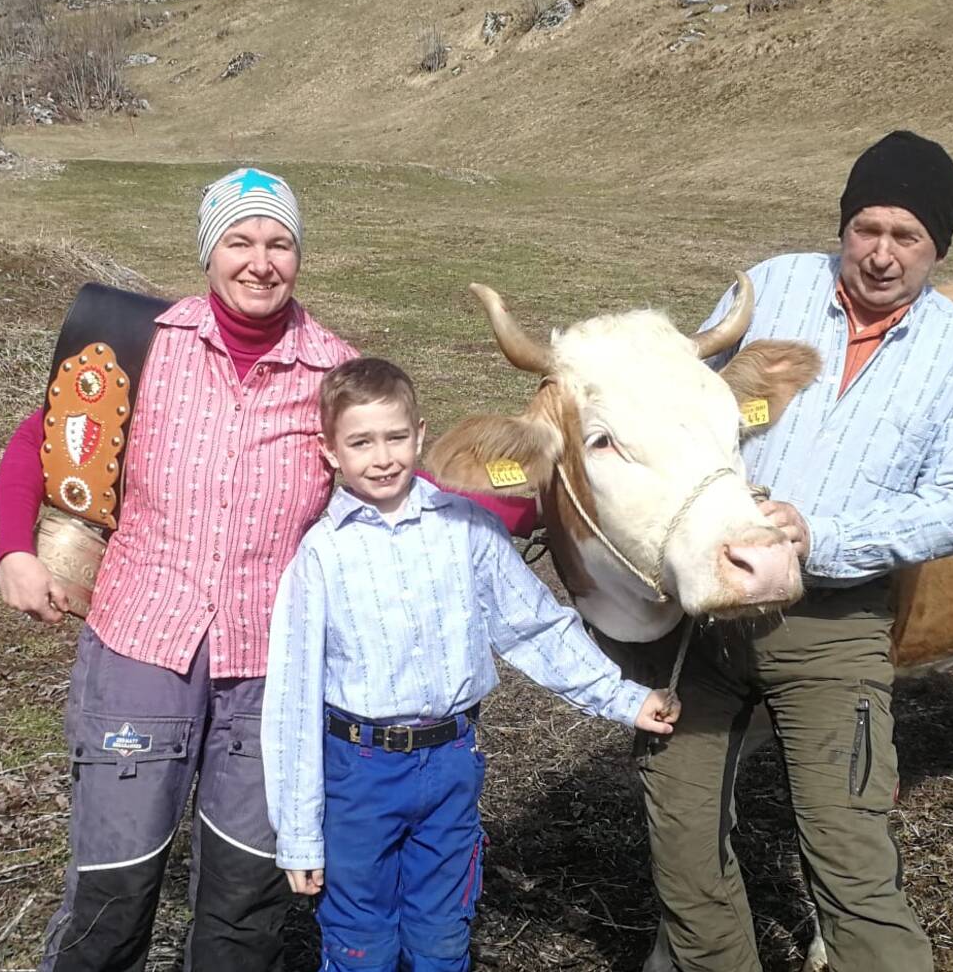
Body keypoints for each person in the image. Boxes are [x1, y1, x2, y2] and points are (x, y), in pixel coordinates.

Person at [0, 169, 540, 972]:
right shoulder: (143, 347)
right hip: (140, 641)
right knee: (116, 881)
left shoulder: (334, 370)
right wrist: (13, 550)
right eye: (240, 241)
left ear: (299, 255)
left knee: (245, 899)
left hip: (270, 671)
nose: (260, 261)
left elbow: (399, 483)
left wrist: (545, 502)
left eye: (279, 242)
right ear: (209, 250)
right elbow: (41, 444)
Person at [635, 130, 953, 971]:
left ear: (936, 248)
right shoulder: (771, 287)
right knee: (682, 841)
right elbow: (687, 402)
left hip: (831, 626)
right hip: (710, 613)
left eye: (905, 237)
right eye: (865, 229)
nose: (880, 255)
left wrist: (823, 534)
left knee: (849, 862)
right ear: (843, 225)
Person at [262, 357, 681, 972]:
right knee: (361, 938)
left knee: (442, 931)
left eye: (395, 438)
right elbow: (293, 698)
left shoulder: (468, 530)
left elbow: (536, 626)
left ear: (421, 434)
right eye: (360, 443)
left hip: (450, 765)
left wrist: (623, 698)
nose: (381, 458)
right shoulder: (322, 554)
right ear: (330, 452)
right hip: (359, 774)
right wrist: (298, 833)